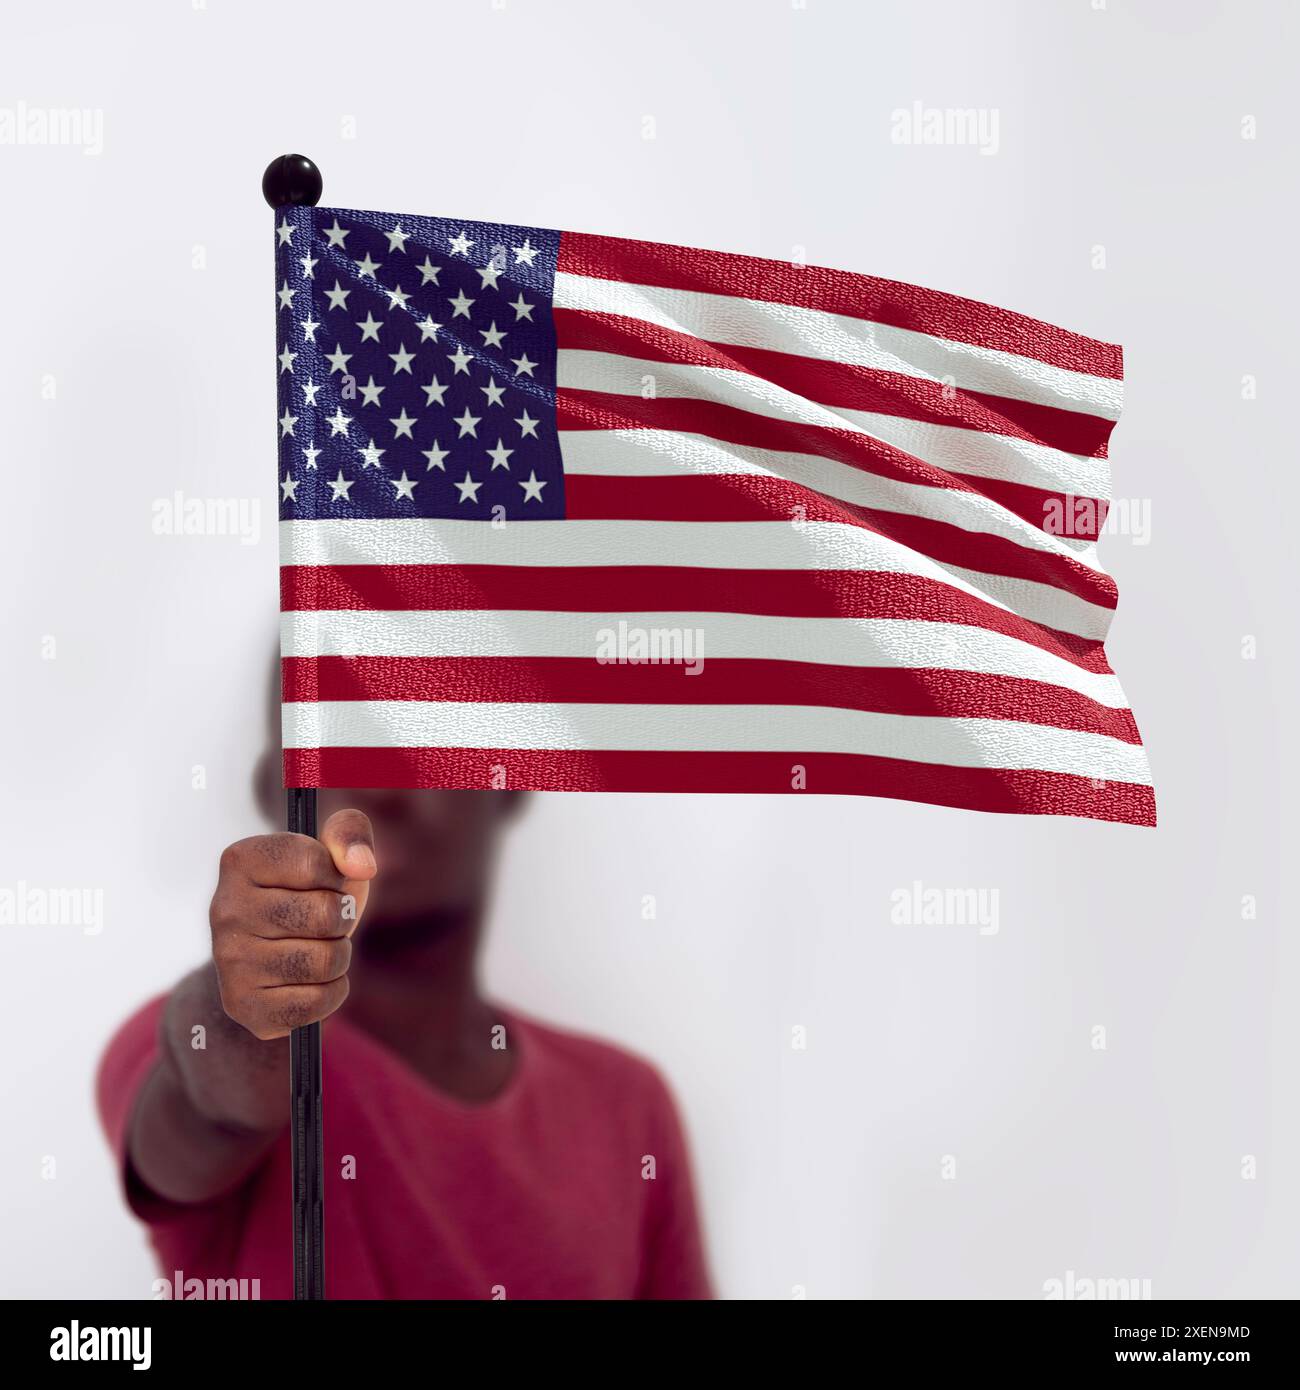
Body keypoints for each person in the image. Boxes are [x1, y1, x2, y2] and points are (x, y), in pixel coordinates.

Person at [96, 679, 712, 1300]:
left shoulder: (628, 1105)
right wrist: (248, 1011)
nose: (383, 790)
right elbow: (216, 1102)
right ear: (273, 791)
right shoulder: (184, 1039)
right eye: (336, 744)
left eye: (426, 733)